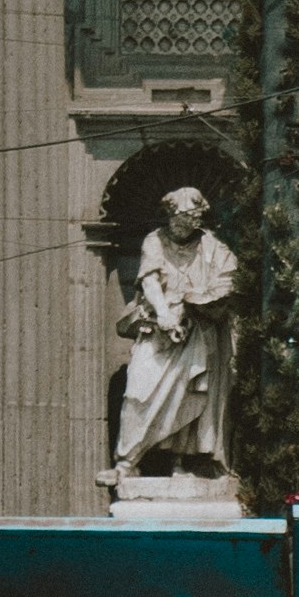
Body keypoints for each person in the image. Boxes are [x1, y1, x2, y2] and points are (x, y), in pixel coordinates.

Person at [106, 185, 238, 485]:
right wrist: (165, 314)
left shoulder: (214, 248)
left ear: (198, 219)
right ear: (169, 217)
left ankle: (184, 462)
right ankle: (126, 462)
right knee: (138, 391)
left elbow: (229, 281)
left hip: (197, 333)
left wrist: (198, 301)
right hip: (158, 330)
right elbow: (150, 281)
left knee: (189, 394)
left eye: (189, 221)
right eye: (177, 221)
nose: (182, 227)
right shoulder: (155, 241)